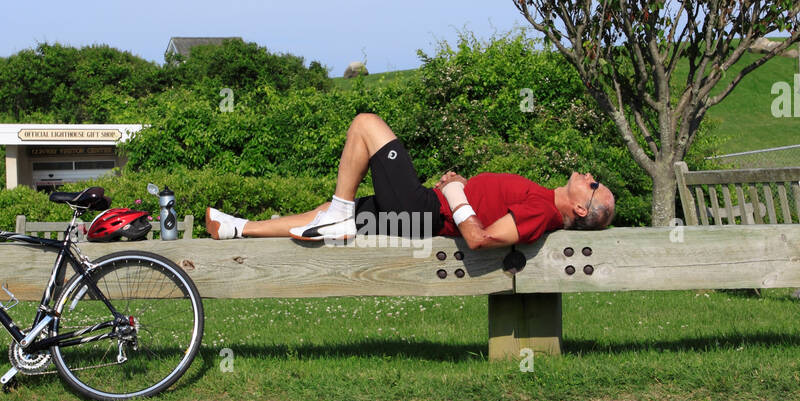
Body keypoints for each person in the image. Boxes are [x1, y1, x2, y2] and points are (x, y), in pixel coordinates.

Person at [205, 112, 615, 247]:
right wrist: (463, 187)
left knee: (366, 124)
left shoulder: (542, 212)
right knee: (327, 210)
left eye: (594, 186)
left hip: (424, 211)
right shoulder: (541, 199)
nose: (590, 176)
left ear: (581, 208)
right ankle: (238, 229)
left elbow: (479, 238)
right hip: (424, 211)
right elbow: (481, 210)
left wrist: (454, 193)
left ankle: (341, 214)